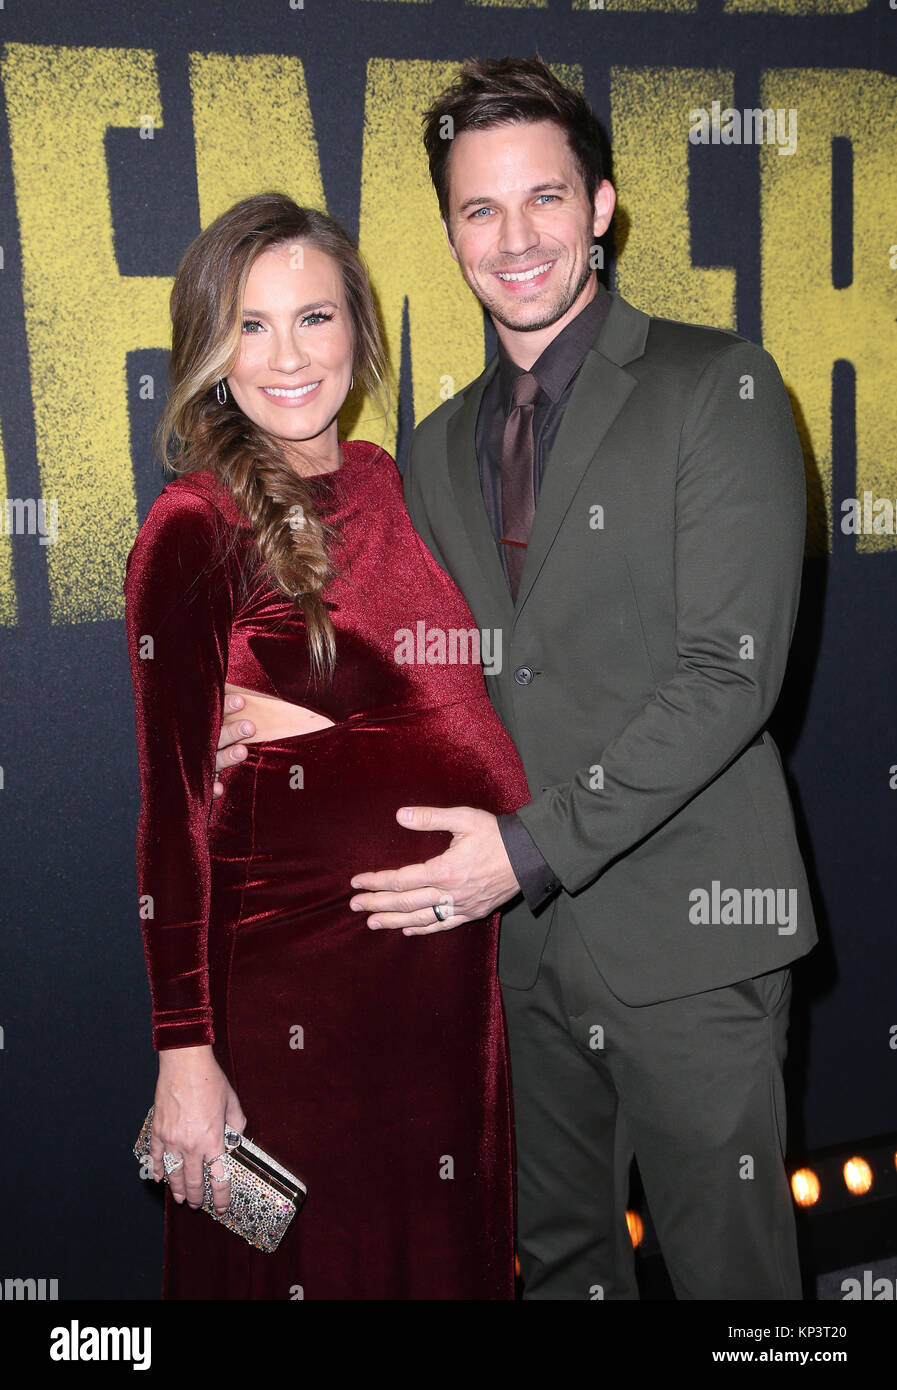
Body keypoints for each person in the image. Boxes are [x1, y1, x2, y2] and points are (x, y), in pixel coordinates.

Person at [220, 59, 818, 1300]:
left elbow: (730, 675)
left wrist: (528, 847)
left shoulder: (723, 387)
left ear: (601, 205)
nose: (515, 238)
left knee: (737, 1283)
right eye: (479, 211)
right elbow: (432, 674)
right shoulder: (430, 451)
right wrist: (305, 730)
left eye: (543, 198)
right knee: (556, 1274)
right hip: (515, 961)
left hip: (694, 942)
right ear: (447, 234)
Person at [124, 193, 531, 1300]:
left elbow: (464, 715)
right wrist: (184, 1054)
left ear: (361, 327)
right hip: (295, 1009)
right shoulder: (193, 529)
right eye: (251, 326)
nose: (288, 355)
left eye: (314, 317)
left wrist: (347, 738)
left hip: (442, 1007)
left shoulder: (389, 484)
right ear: (212, 351)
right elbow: (173, 818)